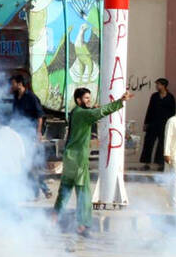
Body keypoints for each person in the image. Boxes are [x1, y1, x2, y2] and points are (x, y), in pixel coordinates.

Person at [53, 87, 133, 236]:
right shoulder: (84, 114)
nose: (89, 101)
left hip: (70, 157)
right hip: (78, 159)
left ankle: (53, 221)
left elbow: (93, 112)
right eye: (86, 98)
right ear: (78, 100)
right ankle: (82, 226)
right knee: (84, 193)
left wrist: (91, 108)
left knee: (64, 191)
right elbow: (102, 112)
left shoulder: (76, 112)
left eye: (90, 98)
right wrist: (121, 101)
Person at [9, 73, 49, 198]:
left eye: (13, 83)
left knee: (30, 164)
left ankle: (37, 192)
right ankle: (43, 190)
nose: (11, 85)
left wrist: (38, 134)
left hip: (30, 135)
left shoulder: (31, 97)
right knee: (25, 164)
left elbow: (40, 116)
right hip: (20, 135)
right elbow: (15, 116)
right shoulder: (16, 97)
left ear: (19, 83)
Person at [139, 78, 176, 171]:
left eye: (158, 84)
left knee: (162, 144)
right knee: (148, 143)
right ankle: (146, 163)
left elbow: (172, 113)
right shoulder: (154, 96)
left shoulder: (170, 97)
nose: (157, 86)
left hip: (164, 125)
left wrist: (171, 126)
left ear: (163, 86)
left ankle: (160, 164)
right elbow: (149, 109)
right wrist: (146, 123)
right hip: (152, 124)